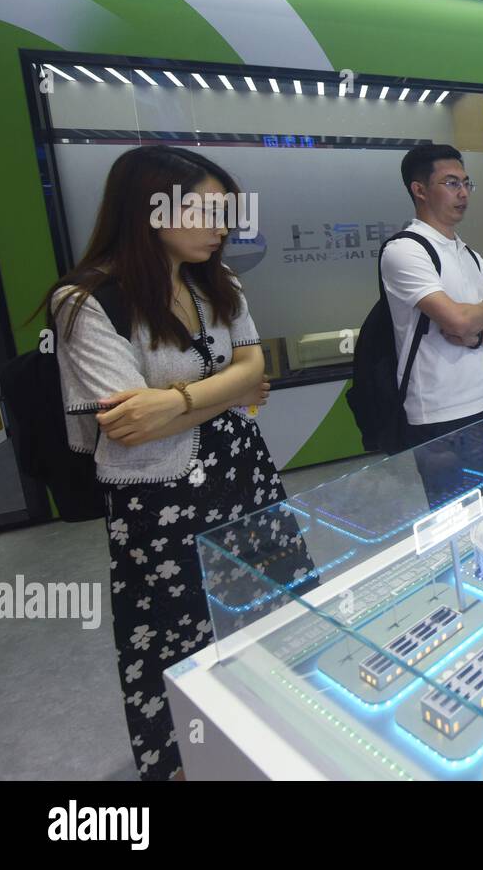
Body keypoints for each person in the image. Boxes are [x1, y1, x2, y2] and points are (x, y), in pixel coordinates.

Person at [45, 145, 308, 780]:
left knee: (275, 614)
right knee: (176, 642)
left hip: (244, 475)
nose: (223, 225)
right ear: (150, 208)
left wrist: (178, 401)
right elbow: (130, 425)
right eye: (207, 209)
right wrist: (226, 393)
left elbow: (253, 367)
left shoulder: (218, 284)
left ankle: (278, 744)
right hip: (157, 504)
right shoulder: (84, 303)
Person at [382, 143, 483, 505]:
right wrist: (482, 309)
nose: (463, 193)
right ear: (418, 189)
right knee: (453, 514)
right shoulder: (406, 250)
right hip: (438, 414)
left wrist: (473, 329)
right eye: (451, 183)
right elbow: (456, 318)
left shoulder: (468, 252)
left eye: (467, 183)